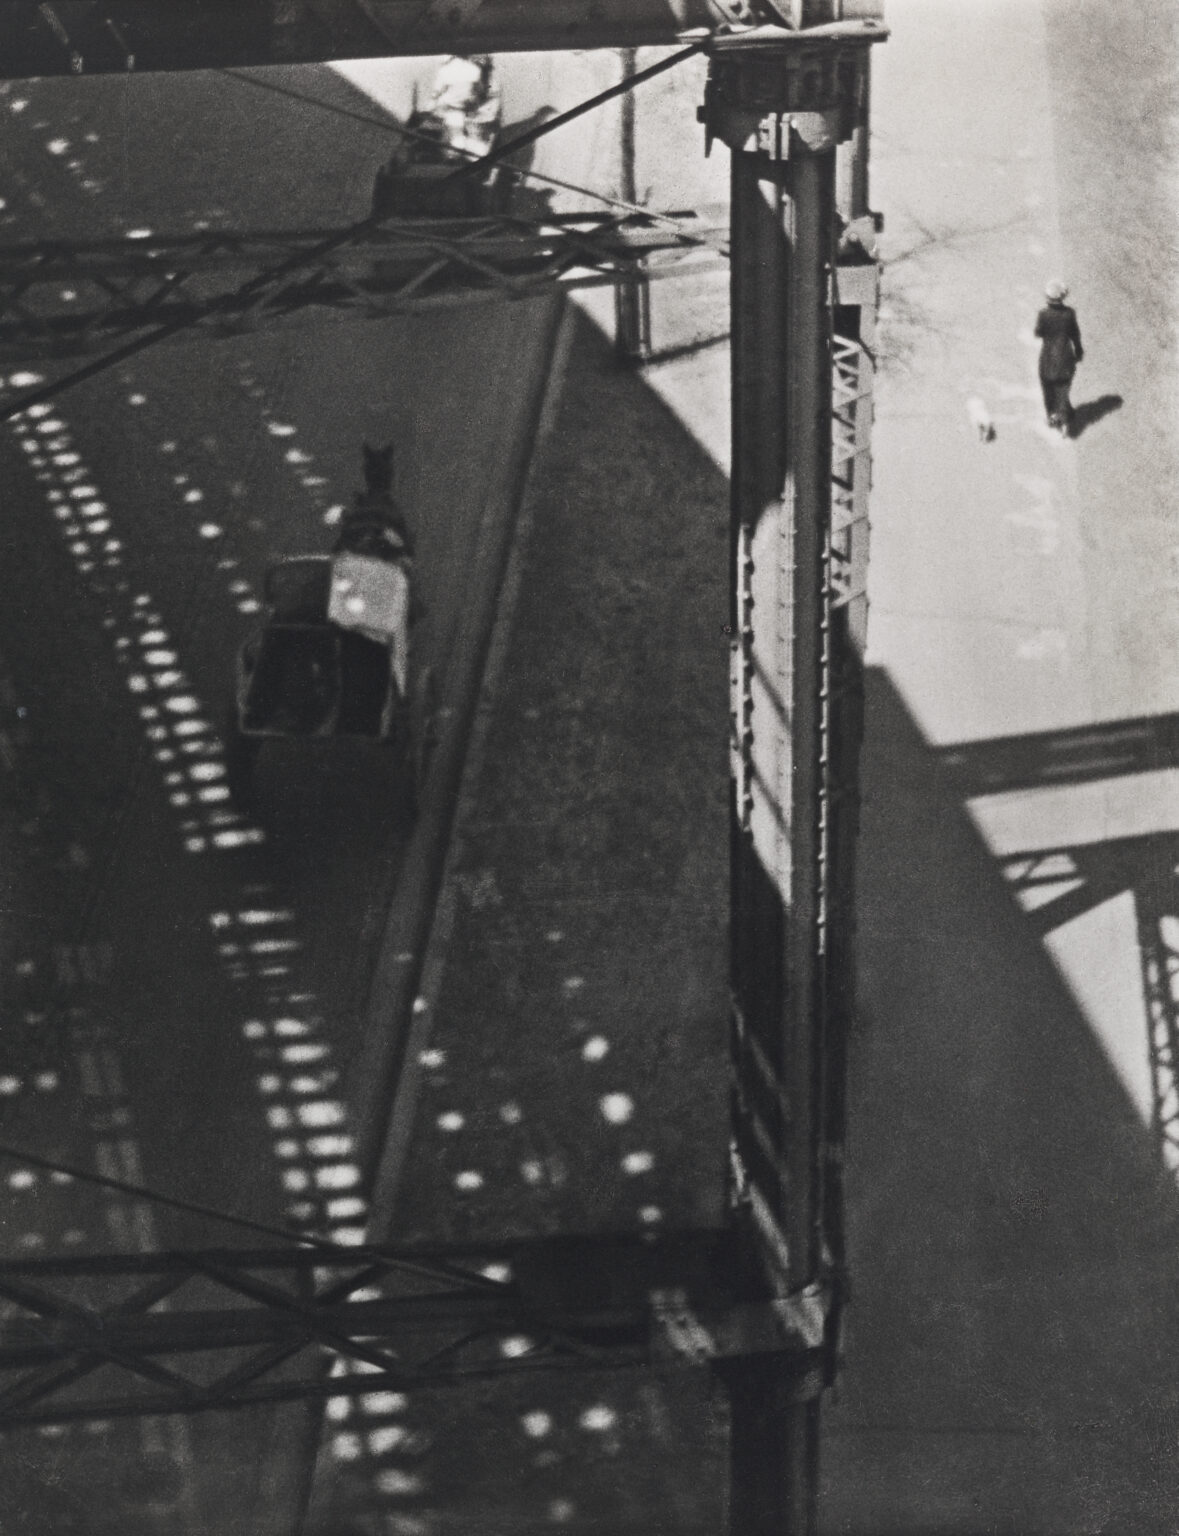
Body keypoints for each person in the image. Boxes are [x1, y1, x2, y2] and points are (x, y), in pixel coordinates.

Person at [428, 54, 501, 161]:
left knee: (474, 148)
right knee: (456, 143)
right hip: (457, 115)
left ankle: (461, 153)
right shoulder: (470, 77)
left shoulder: (492, 85)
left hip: (475, 120)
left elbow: (488, 108)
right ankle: (453, 154)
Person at [1035, 281, 1083, 435]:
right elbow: (1075, 334)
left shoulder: (1043, 314)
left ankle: (1054, 417)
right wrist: (1079, 351)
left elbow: (1038, 333)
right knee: (1062, 388)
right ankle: (1065, 417)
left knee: (1048, 388)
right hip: (1065, 358)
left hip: (1047, 358)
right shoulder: (1069, 314)